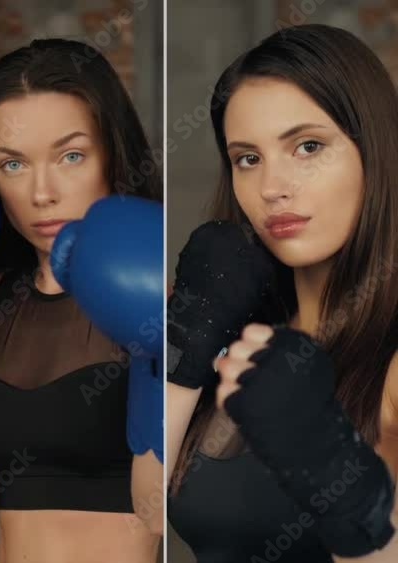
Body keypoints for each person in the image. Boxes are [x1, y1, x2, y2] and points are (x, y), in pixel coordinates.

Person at [0, 38, 164, 563]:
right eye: (13, 164)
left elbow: (160, 508)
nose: (41, 192)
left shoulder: (162, 289)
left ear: (112, 155)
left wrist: (156, 349)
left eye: (71, 156)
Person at [166, 24, 398, 563]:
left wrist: (328, 462)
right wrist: (182, 359)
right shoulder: (238, 339)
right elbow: (145, 511)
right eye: (248, 158)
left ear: (376, 153)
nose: (272, 187)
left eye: (308, 146)